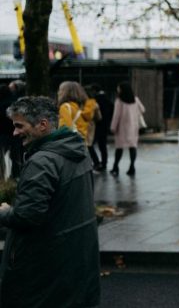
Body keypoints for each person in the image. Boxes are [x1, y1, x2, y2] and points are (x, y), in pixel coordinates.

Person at [0, 96, 100, 307]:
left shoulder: (42, 161)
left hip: (44, 264)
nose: (14, 132)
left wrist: (5, 211)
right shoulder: (78, 151)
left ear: (42, 125)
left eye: (19, 126)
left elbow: (27, 215)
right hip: (73, 260)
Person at [110, 82, 145, 177]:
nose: (118, 90)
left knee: (119, 148)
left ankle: (115, 167)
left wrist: (113, 127)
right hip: (133, 127)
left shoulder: (119, 101)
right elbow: (143, 109)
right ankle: (132, 167)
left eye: (119, 89)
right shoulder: (135, 99)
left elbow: (116, 116)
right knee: (132, 147)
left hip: (122, 128)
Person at [91, 84, 112, 172]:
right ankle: (104, 163)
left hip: (97, 126)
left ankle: (96, 162)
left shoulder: (96, 99)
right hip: (105, 125)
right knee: (103, 146)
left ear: (94, 91)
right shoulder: (107, 99)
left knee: (90, 145)